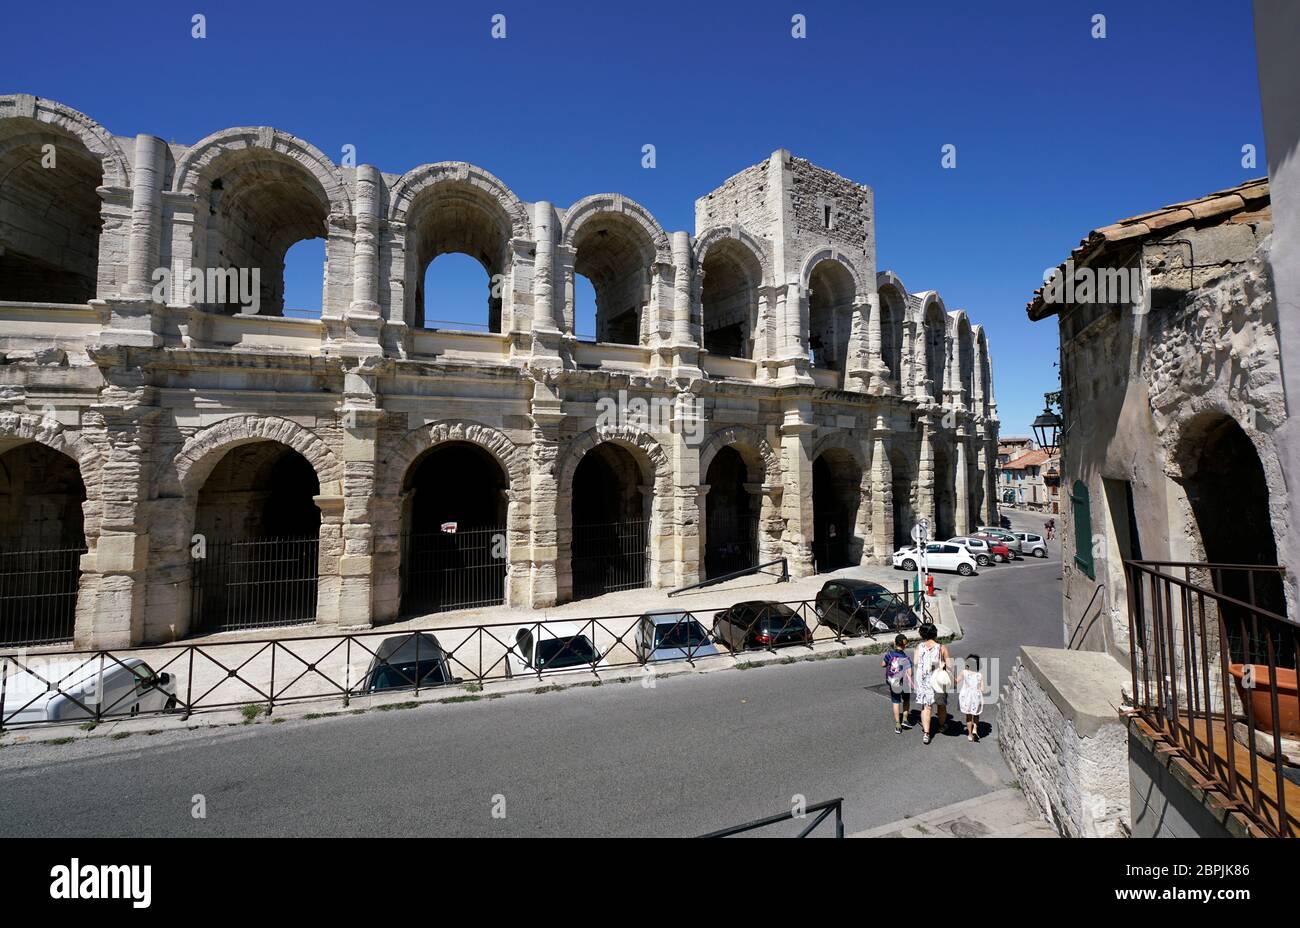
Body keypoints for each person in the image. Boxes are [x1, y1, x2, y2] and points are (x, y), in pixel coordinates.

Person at [912, 623, 951, 744]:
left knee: (926, 706)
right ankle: (941, 725)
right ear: (935, 633)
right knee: (940, 704)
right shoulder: (941, 648)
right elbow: (949, 666)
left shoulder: (919, 647)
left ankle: (926, 733)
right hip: (938, 680)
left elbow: (916, 663)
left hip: (924, 681)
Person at [881, 634, 913, 734]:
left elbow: (882, 664)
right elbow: (910, 673)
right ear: (905, 645)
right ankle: (905, 719)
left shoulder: (889, 654)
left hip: (893, 681)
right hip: (904, 683)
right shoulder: (906, 658)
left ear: (895, 643)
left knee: (896, 702)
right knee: (906, 700)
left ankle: (898, 725)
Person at [957, 654, 985, 742]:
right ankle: (975, 729)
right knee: (976, 714)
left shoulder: (964, 672)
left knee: (968, 716)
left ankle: (969, 734)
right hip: (976, 696)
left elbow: (956, 681)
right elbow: (982, 689)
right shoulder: (979, 675)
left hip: (966, 696)